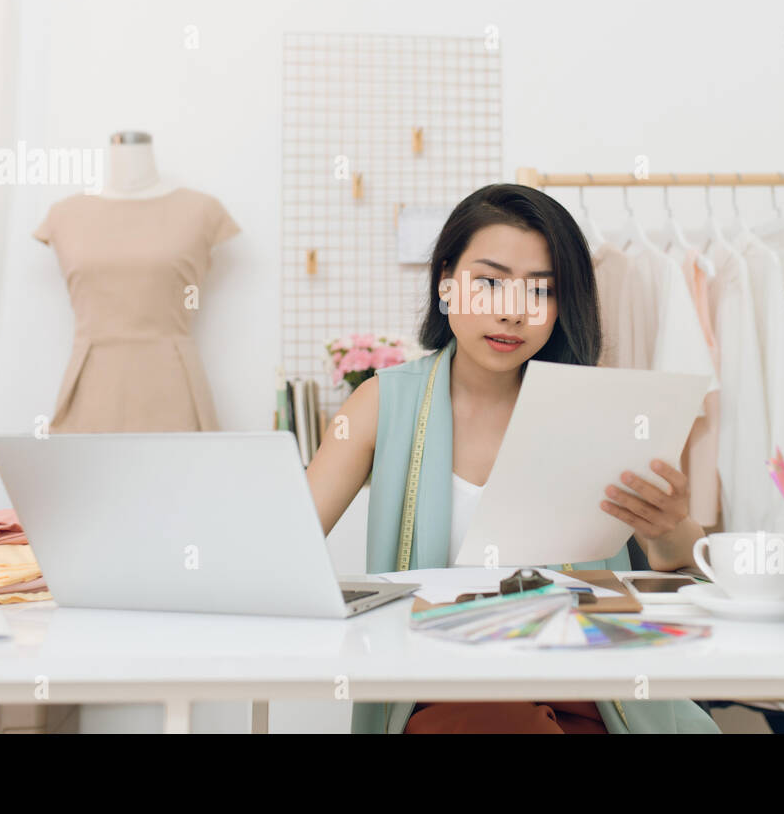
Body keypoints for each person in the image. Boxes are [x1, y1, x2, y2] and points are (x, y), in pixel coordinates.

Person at [307, 183, 720, 734]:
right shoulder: (382, 404)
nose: (512, 312)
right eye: (490, 283)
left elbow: (681, 573)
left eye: (540, 291)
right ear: (446, 283)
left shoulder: (601, 407)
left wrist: (672, 527)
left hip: (588, 686)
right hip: (447, 691)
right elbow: (288, 557)